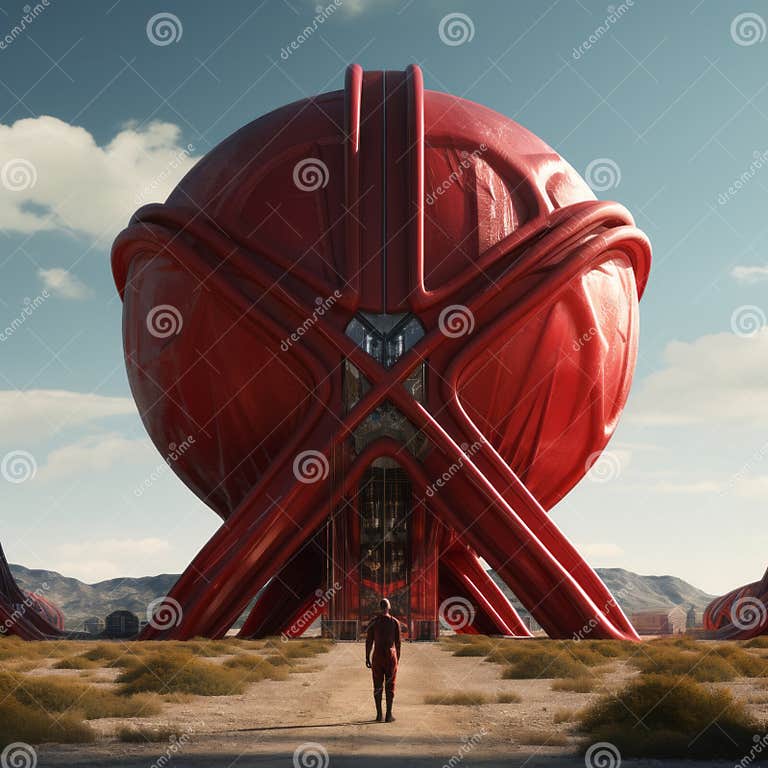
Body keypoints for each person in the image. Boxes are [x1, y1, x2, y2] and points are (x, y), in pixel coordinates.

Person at [365, 598, 401, 722]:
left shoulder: (374, 622)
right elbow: (398, 643)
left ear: (380, 608)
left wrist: (367, 657)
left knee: (377, 686)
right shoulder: (395, 622)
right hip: (391, 655)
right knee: (390, 686)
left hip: (377, 656)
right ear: (389, 607)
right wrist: (398, 659)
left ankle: (379, 715)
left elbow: (369, 641)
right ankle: (389, 715)